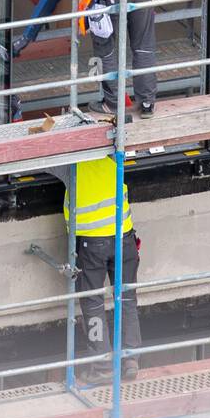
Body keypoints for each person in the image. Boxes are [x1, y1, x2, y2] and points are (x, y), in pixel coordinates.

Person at [14, 0, 158, 117]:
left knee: (106, 51)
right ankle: (147, 104)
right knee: (143, 48)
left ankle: (113, 104)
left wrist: (27, 35)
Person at [55, 155, 141, 385]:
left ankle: (103, 366)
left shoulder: (70, 164)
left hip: (93, 245)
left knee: (92, 303)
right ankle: (130, 360)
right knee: (127, 298)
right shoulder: (115, 155)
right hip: (125, 239)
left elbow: (38, 158)